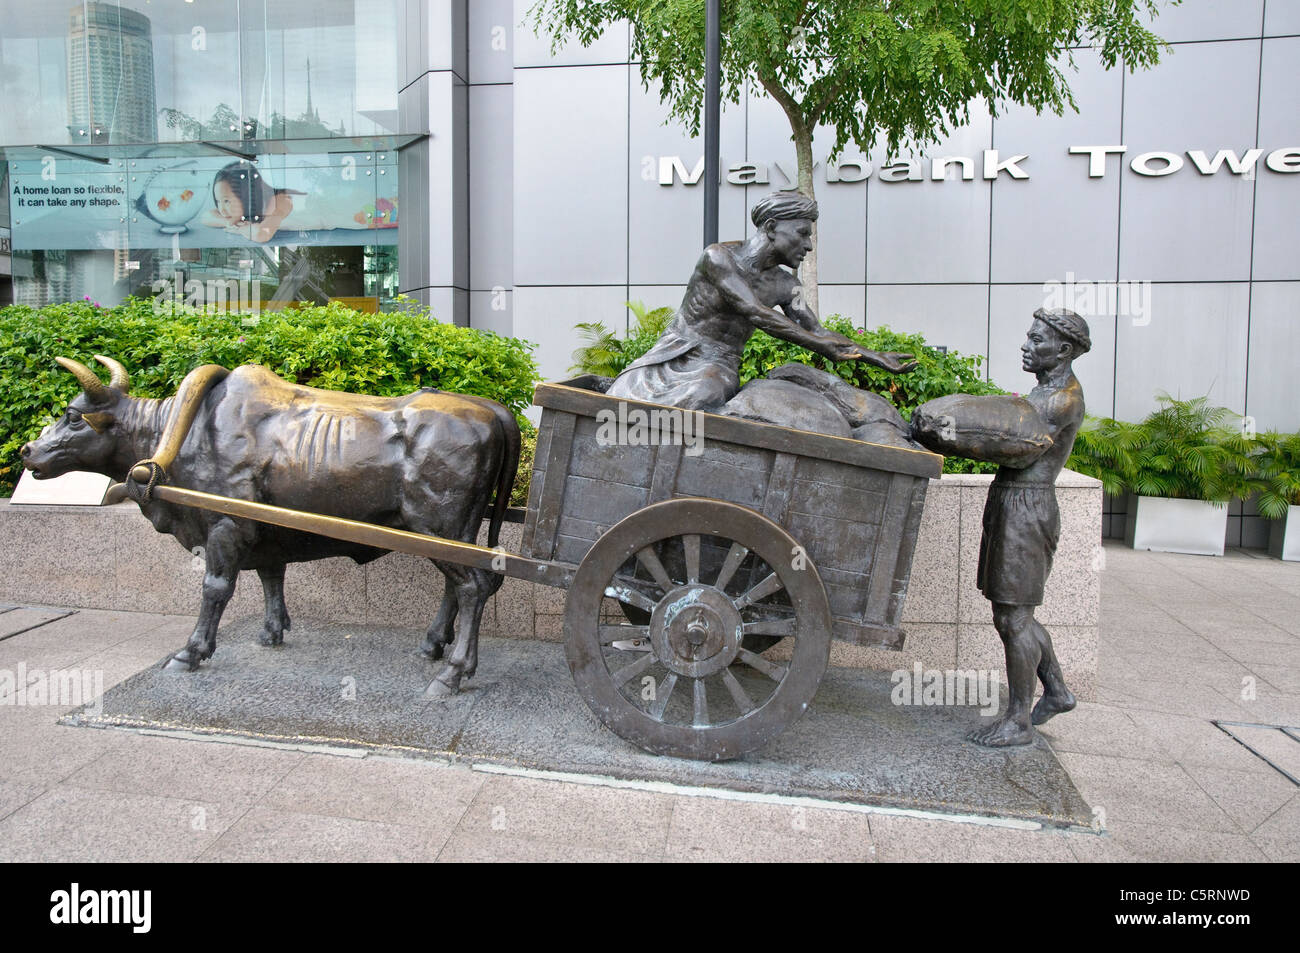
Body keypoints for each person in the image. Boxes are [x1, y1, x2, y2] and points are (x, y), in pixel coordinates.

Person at [606, 192, 916, 411]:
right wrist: (819, 345)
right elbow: (754, 310)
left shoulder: (787, 284)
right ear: (770, 228)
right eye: (802, 233)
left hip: (718, 366)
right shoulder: (718, 257)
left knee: (701, 396)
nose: (808, 245)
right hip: (674, 355)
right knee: (615, 403)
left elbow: (817, 330)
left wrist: (874, 355)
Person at [969, 307, 1090, 747]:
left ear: (1062, 350)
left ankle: (1018, 721)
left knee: (1014, 617)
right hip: (1012, 502)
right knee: (1013, 614)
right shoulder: (1043, 393)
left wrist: (965, 435)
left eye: (1036, 340)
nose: (1026, 345)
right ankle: (1056, 691)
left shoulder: (1061, 400)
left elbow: (1019, 453)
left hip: (1027, 507)